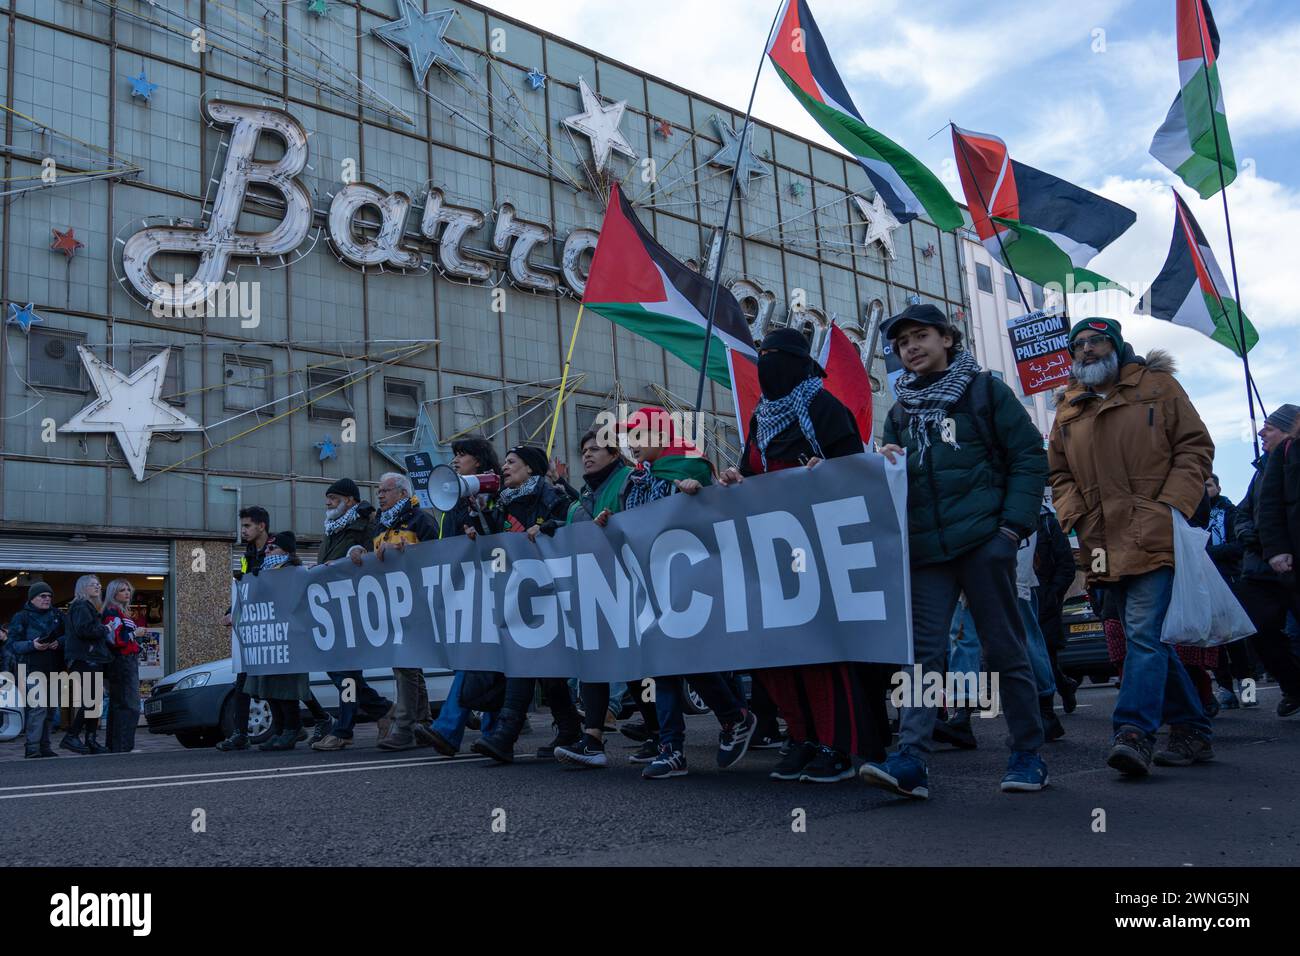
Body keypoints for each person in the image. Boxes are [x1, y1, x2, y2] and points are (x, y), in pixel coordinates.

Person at [861, 304, 1049, 798]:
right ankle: (911, 760)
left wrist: (1010, 530)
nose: (911, 349)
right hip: (926, 553)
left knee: (1004, 648)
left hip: (984, 542)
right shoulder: (900, 411)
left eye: (920, 336)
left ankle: (1028, 753)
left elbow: (1030, 457)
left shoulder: (986, 391)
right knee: (921, 657)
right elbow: (892, 483)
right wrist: (884, 464)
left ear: (948, 338)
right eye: (902, 344)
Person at [1047, 318, 1215, 775]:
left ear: (1117, 346)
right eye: (1077, 345)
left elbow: (1194, 448)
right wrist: (1073, 513)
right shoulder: (1067, 405)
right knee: (1146, 636)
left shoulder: (1158, 386)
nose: (1086, 350)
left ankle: (1133, 732)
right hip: (1099, 540)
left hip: (1153, 531)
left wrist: (1171, 505)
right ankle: (1193, 729)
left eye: (1096, 341)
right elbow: (1058, 473)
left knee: (1142, 632)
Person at [719, 328, 888, 783]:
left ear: (799, 364)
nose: (770, 365)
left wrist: (825, 473)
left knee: (821, 654)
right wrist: (738, 479)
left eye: (778, 358)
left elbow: (855, 471)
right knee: (776, 653)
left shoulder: (824, 408)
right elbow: (753, 470)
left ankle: (839, 744)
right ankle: (802, 737)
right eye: (764, 357)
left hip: (823, 554)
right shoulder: (760, 418)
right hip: (773, 555)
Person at [596, 406, 757, 780]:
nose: (631, 444)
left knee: (679, 660)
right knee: (666, 662)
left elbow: (710, 514)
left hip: (688, 577)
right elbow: (632, 527)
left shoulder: (693, 465)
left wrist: (693, 493)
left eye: (637, 435)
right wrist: (609, 522)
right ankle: (688, 740)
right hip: (651, 581)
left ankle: (720, 724)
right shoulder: (635, 480)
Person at [554, 428, 663, 768]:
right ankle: (593, 741)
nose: (587, 454)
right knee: (593, 663)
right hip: (593, 593)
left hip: (631, 588)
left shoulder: (631, 481)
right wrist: (551, 530)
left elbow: (646, 521)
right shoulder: (579, 502)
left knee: (636, 670)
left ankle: (660, 734)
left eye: (596, 449)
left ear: (616, 454)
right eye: (584, 449)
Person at [470, 444, 580, 764]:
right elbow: (495, 541)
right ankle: (571, 728)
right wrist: (475, 523)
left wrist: (547, 528)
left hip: (551, 592)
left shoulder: (549, 493)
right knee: (545, 669)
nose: (504, 467)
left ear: (530, 468)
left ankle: (506, 734)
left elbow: (572, 523)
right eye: (504, 462)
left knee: (527, 656)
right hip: (520, 593)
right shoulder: (503, 502)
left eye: (512, 462)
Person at [425, 436, 505, 758]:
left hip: (495, 587)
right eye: (454, 455)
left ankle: (451, 729)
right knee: (487, 662)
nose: (456, 460)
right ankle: (493, 733)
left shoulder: (495, 493)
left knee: (482, 659)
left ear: (480, 461)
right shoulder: (455, 499)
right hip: (468, 588)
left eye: (463, 455)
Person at [352, 472, 440, 751]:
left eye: (385, 490)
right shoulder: (379, 523)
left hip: (418, 600)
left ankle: (403, 728)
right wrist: (357, 551)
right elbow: (372, 553)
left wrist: (406, 550)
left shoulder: (422, 519)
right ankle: (423, 722)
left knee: (405, 663)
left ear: (403, 493)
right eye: (378, 491)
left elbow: (437, 556)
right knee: (408, 664)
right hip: (392, 601)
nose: (379, 495)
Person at [311, 477, 393, 751]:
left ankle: (344, 730)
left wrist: (350, 557)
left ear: (350, 501)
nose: (327, 503)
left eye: (333, 498)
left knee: (345, 671)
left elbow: (375, 557)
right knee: (339, 670)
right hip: (333, 609)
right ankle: (382, 710)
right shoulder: (332, 529)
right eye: (327, 498)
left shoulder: (364, 526)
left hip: (353, 607)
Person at [1232, 404, 1300, 719]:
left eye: (1269, 428)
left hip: (1291, 561)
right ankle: (1293, 686)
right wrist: (1251, 535)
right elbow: (1244, 513)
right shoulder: (1260, 471)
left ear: (1289, 430)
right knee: (1257, 629)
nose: (1261, 433)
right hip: (1259, 568)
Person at [244, 532, 312, 750]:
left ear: (287, 551)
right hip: (270, 639)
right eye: (268, 549)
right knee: (270, 686)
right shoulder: (265, 572)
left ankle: (292, 729)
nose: (268, 552)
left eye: (273, 549)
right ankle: (281, 730)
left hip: (288, 638)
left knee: (286, 687)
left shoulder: (294, 572)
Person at [216, 505, 272, 751]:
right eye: (242, 526)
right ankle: (240, 733)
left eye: (248, 526)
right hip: (254, 625)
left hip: (272, 624)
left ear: (262, 526)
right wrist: (232, 611)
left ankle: (318, 719)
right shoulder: (248, 553)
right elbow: (245, 588)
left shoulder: (275, 549)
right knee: (243, 678)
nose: (244, 531)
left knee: (281, 679)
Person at [1258, 408, 1300, 712]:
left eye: (1268, 428)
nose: (1261, 434)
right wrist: (1276, 549)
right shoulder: (1281, 457)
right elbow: (1268, 507)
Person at [1203, 474, 1251, 708]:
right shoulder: (1194, 515)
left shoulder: (1230, 511)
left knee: (1237, 637)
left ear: (1218, 487)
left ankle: (1248, 689)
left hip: (1230, 578)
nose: (1204, 489)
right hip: (1204, 582)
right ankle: (1224, 688)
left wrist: (1209, 553)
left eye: (1209, 485)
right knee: (1214, 639)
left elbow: (1238, 546)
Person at [8, 581, 66, 758]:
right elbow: (11, 645)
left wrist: (60, 642)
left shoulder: (58, 615)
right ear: (32, 598)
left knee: (51, 709)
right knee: (38, 708)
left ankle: (45, 745)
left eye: (49, 596)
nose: (47, 599)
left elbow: (70, 635)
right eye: (43, 596)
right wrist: (32, 645)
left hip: (54, 667)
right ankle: (32, 747)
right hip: (32, 668)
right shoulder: (21, 617)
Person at [1035, 492, 1081, 712]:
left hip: (1045, 604)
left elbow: (1066, 566)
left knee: (1044, 657)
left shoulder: (1048, 524)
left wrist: (1052, 595)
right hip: (1019, 598)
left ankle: (1047, 709)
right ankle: (1063, 686)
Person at [61, 575, 114, 755]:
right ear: (83, 588)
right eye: (93, 585)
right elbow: (84, 630)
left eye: (99, 584)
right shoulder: (81, 606)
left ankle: (90, 739)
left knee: (95, 701)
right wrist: (105, 629)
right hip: (86, 659)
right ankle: (72, 735)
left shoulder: (87, 607)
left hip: (90, 658)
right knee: (92, 700)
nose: (98, 587)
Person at [103, 578, 146, 754]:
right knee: (129, 705)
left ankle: (117, 746)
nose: (127, 593)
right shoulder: (112, 612)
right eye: (122, 590)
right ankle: (124, 746)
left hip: (124, 660)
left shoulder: (120, 612)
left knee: (120, 704)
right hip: (122, 661)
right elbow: (115, 639)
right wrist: (135, 634)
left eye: (128, 589)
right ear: (114, 593)